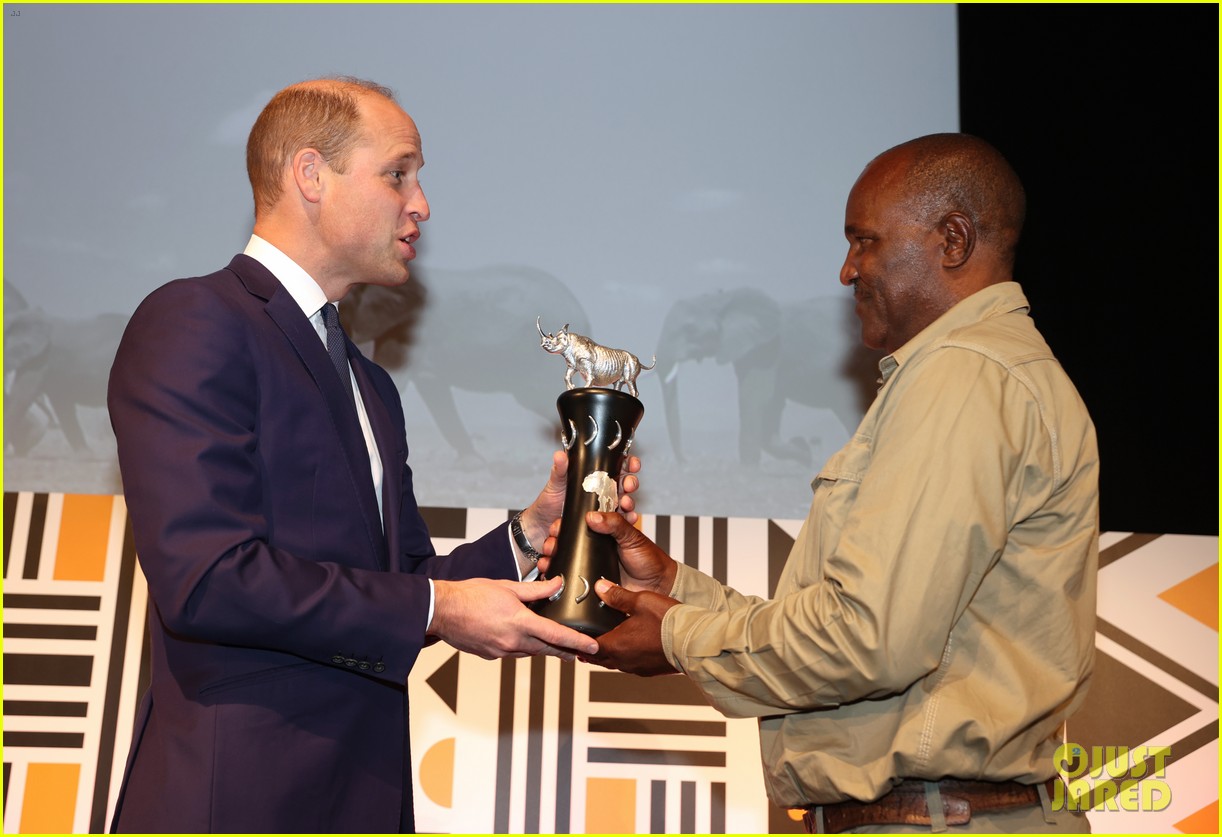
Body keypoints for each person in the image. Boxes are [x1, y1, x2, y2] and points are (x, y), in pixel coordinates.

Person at [106, 76, 638, 833]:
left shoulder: (371, 384)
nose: (421, 205)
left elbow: (400, 585)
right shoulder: (194, 319)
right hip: (238, 801)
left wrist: (529, 532)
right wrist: (437, 606)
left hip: (365, 798)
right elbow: (207, 577)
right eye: (399, 174)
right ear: (311, 175)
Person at [562, 133, 1099, 833]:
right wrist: (676, 590)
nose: (847, 270)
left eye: (865, 241)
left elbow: (868, 640)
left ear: (953, 240)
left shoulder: (964, 377)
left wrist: (678, 636)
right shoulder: (974, 376)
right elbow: (866, 624)